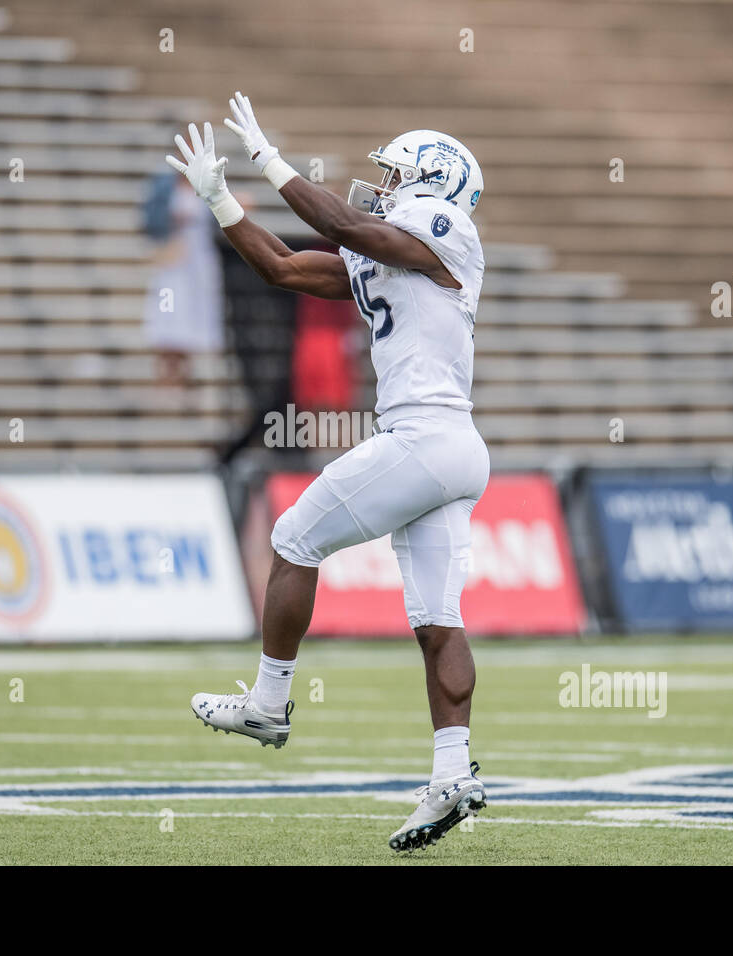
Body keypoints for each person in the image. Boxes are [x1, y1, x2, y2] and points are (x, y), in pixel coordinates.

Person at [166, 93, 489, 852]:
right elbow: (281, 267)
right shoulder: (392, 254)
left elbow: (344, 225)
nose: (380, 183)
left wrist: (269, 161)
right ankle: (452, 775)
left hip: (427, 435)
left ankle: (270, 703)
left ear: (432, 183)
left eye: (396, 173)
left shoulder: (449, 229)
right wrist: (219, 198)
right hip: (447, 448)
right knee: (438, 622)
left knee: (292, 537)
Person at [142, 171, 226, 399]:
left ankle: (182, 376)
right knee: (168, 311)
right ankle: (165, 376)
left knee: (191, 315)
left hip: (198, 260)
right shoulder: (164, 182)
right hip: (173, 255)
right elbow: (150, 217)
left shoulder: (208, 182)